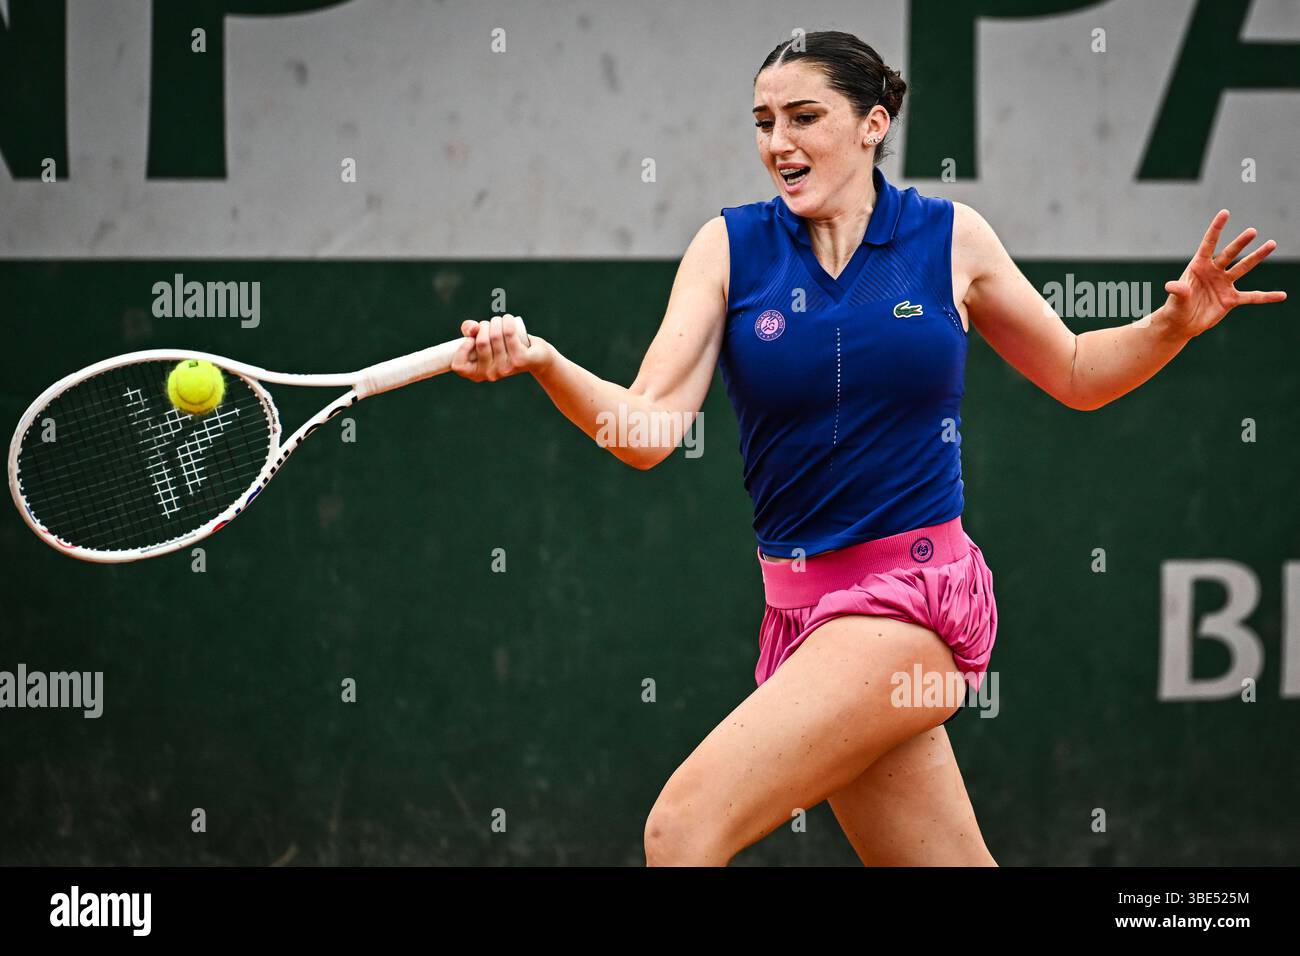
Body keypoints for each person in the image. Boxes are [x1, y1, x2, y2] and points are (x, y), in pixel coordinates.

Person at [449, 31, 1286, 866]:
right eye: (764, 121)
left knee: (681, 830)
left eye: (805, 117)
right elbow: (647, 432)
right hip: (801, 616)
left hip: (914, 599)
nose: (780, 142)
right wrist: (545, 363)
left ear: (872, 124)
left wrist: (1168, 325)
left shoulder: (951, 238)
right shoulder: (729, 248)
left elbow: (1073, 370)